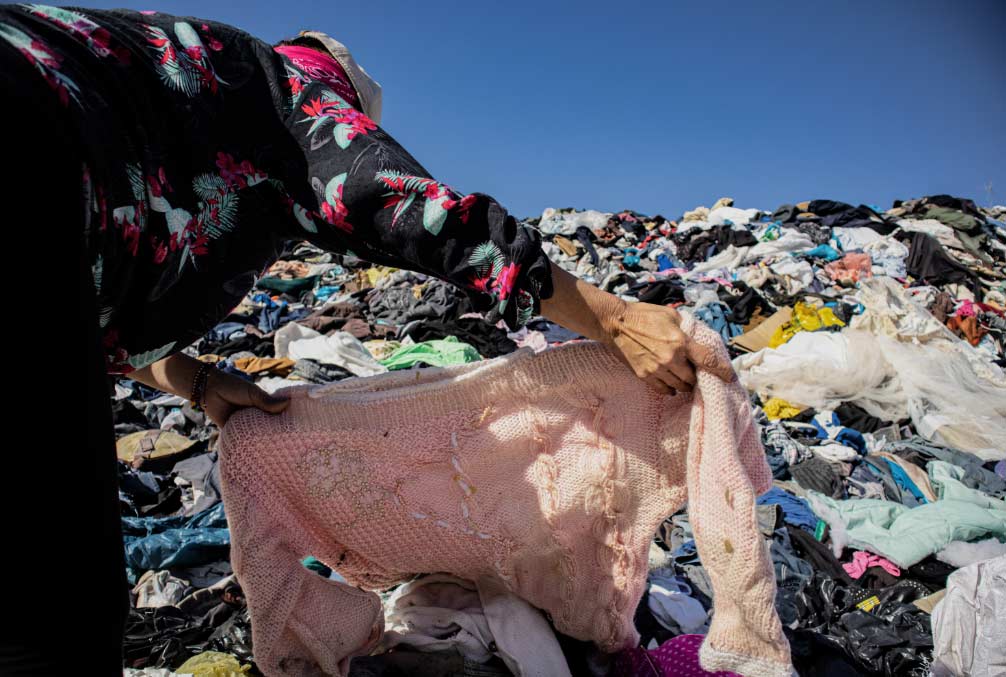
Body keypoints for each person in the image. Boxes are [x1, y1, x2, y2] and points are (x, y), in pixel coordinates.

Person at [0, 5, 734, 673]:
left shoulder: (185, 86)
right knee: (55, 604)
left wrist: (194, 380)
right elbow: (409, 209)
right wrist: (615, 317)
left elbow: (107, 306)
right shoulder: (287, 91)